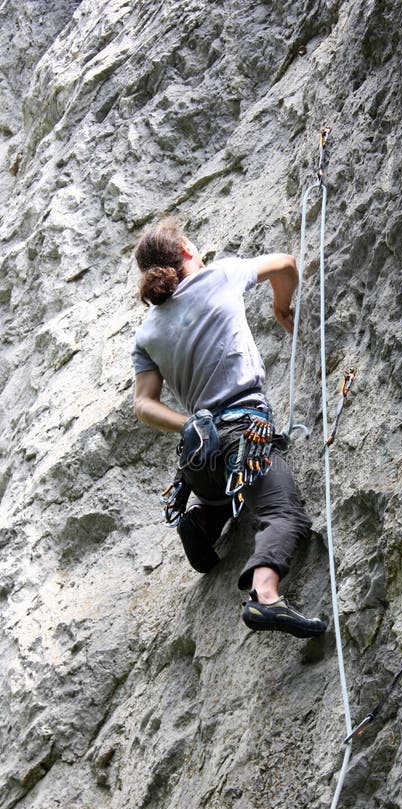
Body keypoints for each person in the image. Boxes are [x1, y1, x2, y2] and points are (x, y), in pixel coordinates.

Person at [131, 217, 327, 640]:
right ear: (186, 249)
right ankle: (266, 597)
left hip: (198, 456)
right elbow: (286, 264)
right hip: (245, 436)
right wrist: (281, 307)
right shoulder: (220, 276)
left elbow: (143, 404)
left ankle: (203, 519)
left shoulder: (146, 332)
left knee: (223, 488)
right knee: (284, 513)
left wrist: (190, 422)